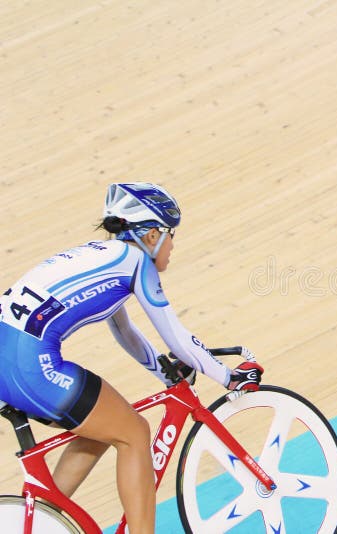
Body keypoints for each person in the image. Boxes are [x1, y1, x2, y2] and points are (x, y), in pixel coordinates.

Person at [0, 183, 264, 534]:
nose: (173, 244)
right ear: (152, 234)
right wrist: (228, 377)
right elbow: (177, 336)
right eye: (171, 234)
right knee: (134, 433)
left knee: (98, 430)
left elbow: (124, 332)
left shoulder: (104, 256)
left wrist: (167, 375)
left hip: (14, 359)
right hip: (29, 365)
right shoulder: (137, 261)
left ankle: (40, 524)